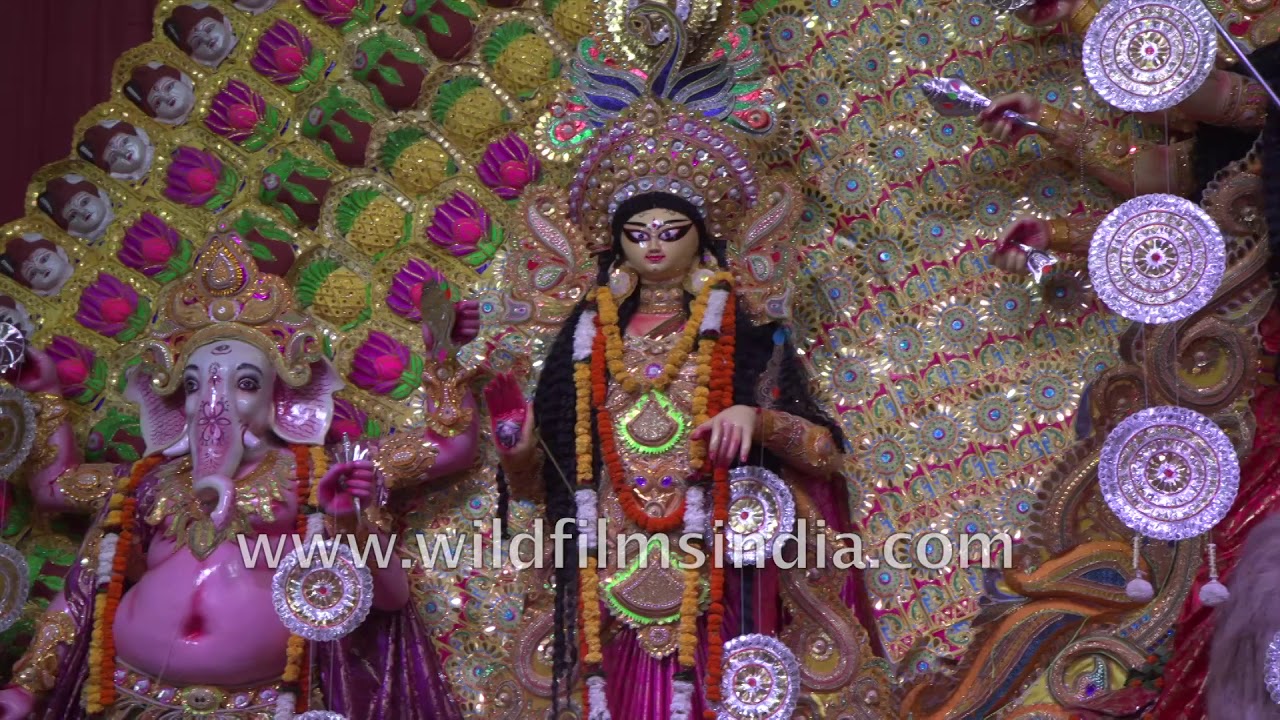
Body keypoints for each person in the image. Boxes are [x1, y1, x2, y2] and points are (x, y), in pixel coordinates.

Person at [491, 5, 892, 717]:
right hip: (609, 569)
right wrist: (521, 453)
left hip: (717, 563)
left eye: (670, 231)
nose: (652, 247)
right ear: (614, 245)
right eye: (635, 233)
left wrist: (756, 418)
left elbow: (825, 454)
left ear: (700, 238)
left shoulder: (745, 337)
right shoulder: (586, 340)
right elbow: (537, 489)